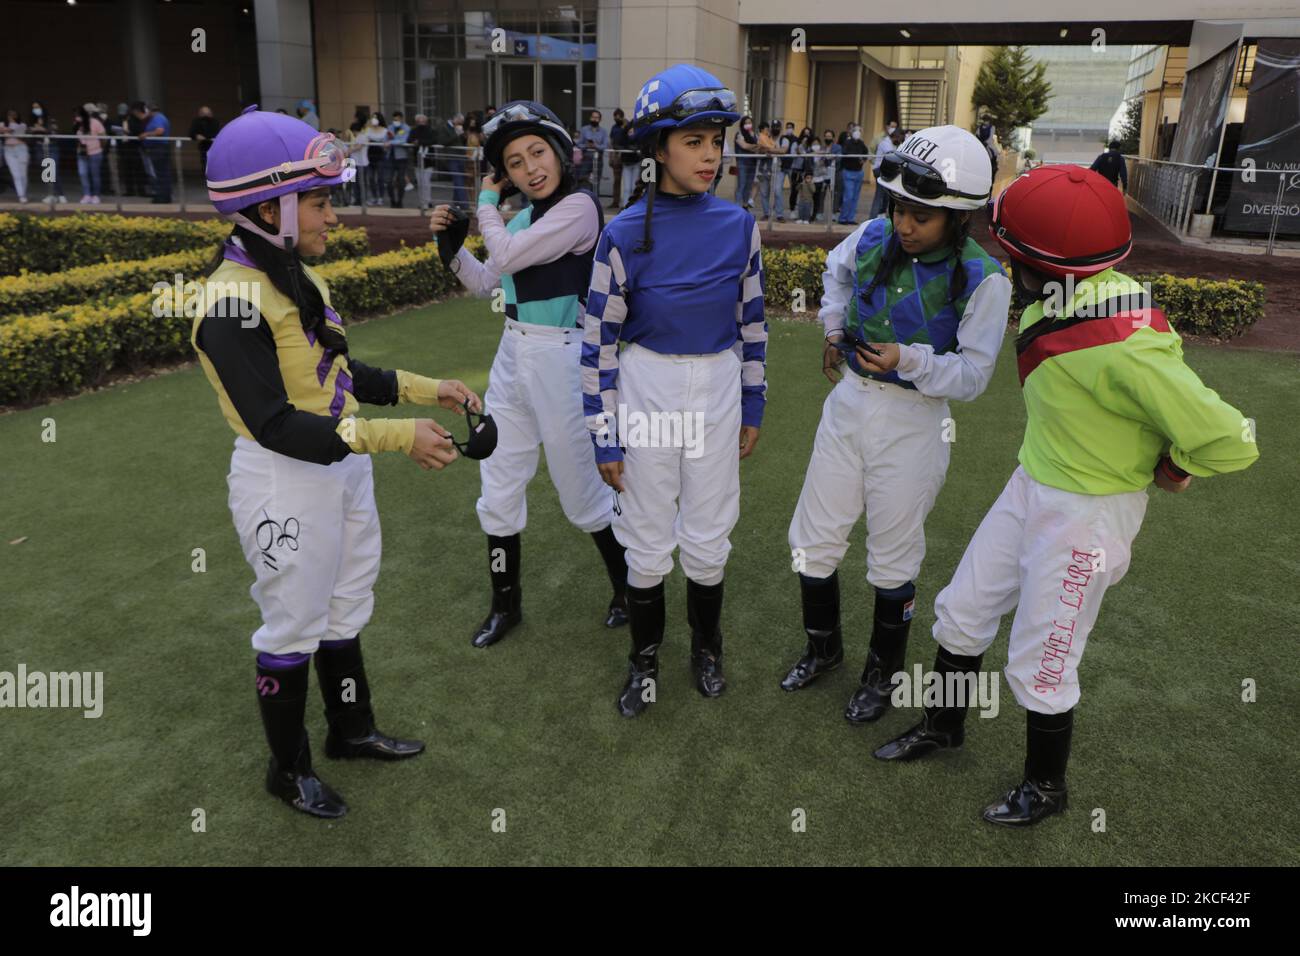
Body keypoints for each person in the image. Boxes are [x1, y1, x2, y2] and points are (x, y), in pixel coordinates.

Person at [873, 165, 1260, 826]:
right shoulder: (1071, 292)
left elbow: (1233, 437)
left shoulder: (1126, 347)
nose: (1001, 259)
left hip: (1089, 514)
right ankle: (944, 724)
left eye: (1011, 252)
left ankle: (1047, 790)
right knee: (962, 611)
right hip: (1034, 481)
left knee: (1042, 661)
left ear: (1042, 266)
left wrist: (1175, 464)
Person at [194, 106, 482, 818]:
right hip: (283, 479)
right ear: (271, 205)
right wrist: (394, 436)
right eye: (321, 202)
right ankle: (287, 772)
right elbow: (277, 426)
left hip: (339, 464)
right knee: (291, 624)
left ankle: (350, 730)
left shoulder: (295, 276)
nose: (333, 217)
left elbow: (341, 373)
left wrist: (428, 390)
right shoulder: (230, 303)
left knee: (345, 606)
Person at [781, 126, 1009, 729]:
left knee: (893, 557)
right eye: (899, 208)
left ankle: (881, 675)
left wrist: (910, 360)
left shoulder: (986, 279)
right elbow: (836, 272)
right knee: (813, 540)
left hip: (915, 422)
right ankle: (823, 648)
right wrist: (833, 328)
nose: (904, 224)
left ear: (958, 217)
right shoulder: (874, 233)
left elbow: (974, 376)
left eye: (921, 216)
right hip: (849, 404)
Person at [582, 64, 767, 718]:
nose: (711, 153)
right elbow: (597, 344)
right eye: (694, 141)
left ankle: (707, 648)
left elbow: (752, 323)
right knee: (648, 535)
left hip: (717, 386)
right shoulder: (623, 232)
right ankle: (644, 661)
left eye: (716, 139)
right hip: (649, 386)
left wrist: (753, 401)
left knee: (711, 534)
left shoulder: (739, 226)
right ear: (657, 149)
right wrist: (604, 434)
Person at [429, 100, 630, 648]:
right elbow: (484, 281)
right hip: (512, 354)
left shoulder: (581, 208)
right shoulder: (521, 219)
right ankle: (505, 606)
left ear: (562, 151)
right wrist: (450, 248)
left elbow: (509, 255)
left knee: (580, 494)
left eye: (537, 152)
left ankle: (630, 589)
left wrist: (487, 202)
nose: (530, 168)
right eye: (515, 163)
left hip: (564, 361)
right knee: (497, 485)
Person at [133, 101, 172, 203]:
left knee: (160, 174)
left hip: (158, 148)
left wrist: (146, 134)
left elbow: (160, 131)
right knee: (162, 173)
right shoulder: (158, 117)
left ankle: (162, 197)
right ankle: (164, 196)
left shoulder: (158, 118)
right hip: (159, 148)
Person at [867, 125, 904, 219]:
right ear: (895, 136)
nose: (899, 141)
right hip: (879, 170)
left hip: (887, 170)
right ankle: (872, 218)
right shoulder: (885, 143)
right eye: (899, 139)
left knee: (887, 196)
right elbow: (892, 155)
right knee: (879, 196)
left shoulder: (894, 144)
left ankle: (881, 214)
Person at [836, 124, 869, 224]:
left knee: (855, 197)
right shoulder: (847, 142)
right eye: (856, 130)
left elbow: (866, 153)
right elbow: (845, 154)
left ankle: (851, 218)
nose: (857, 132)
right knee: (848, 196)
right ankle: (843, 218)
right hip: (848, 172)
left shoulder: (861, 143)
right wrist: (856, 157)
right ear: (851, 132)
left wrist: (863, 160)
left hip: (859, 172)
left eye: (859, 131)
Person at [75, 104, 106, 204]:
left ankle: (96, 195)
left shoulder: (96, 122)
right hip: (82, 153)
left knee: (94, 174)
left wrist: (100, 147)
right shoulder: (78, 123)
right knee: (83, 174)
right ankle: (87, 194)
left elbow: (103, 137)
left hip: (95, 152)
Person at [577, 109, 608, 195]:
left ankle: (595, 202)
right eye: (593, 117)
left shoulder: (603, 131)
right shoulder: (584, 129)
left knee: (596, 182)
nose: (594, 119)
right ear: (590, 118)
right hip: (586, 159)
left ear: (600, 119)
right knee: (583, 181)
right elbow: (579, 144)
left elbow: (604, 146)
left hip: (598, 160)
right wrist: (586, 146)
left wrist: (595, 146)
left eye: (597, 118)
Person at [1, 110, 30, 202]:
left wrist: (5, 129)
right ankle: (21, 195)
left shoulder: (22, 125)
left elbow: (12, 130)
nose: (11, 116)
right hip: (9, 150)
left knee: (23, 174)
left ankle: (24, 193)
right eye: (9, 115)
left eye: (13, 115)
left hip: (21, 149)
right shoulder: (3, 124)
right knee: (16, 175)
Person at [732, 115, 760, 209]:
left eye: (750, 122)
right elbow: (744, 146)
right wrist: (755, 146)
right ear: (742, 124)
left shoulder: (754, 134)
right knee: (741, 185)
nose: (748, 124)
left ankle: (745, 206)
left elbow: (760, 146)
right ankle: (737, 206)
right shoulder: (739, 134)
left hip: (753, 163)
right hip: (742, 163)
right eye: (746, 123)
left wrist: (753, 146)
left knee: (749, 186)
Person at [386, 111, 410, 207]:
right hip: (391, 156)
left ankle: (400, 201)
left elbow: (403, 140)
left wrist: (391, 142)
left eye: (397, 119)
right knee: (389, 181)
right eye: (394, 119)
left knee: (401, 180)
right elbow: (385, 139)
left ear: (401, 119)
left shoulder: (406, 128)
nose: (395, 121)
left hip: (402, 157)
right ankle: (392, 200)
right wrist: (388, 143)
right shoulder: (390, 127)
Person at [607, 108, 630, 209]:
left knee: (628, 182)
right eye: (615, 117)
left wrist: (625, 127)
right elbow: (611, 141)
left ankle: (627, 203)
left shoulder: (627, 125)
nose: (617, 118)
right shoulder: (614, 127)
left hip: (626, 156)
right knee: (617, 180)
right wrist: (611, 157)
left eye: (618, 116)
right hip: (616, 155)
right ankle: (615, 202)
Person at [189, 105, 221, 171]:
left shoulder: (215, 122)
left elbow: (216, 132)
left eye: (207, 114)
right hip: (204, 147)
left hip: (214, 146)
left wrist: (205, 136)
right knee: (204, 163)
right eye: (203, 114)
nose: (206, 116)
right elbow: (191, 133)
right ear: (200, 114)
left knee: (214, 163)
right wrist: (196, 135)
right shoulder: (197, 121)